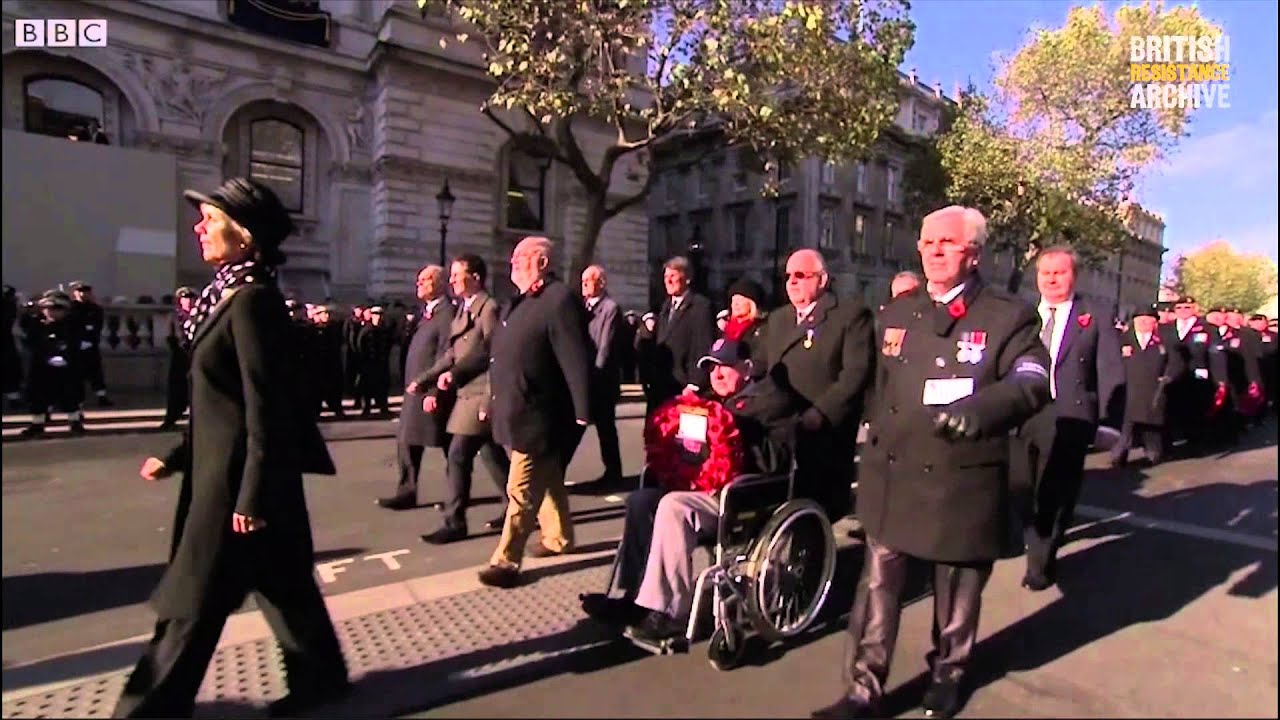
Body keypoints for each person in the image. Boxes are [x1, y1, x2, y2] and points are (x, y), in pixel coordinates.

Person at [113, 177, 347, 718]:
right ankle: (323, 677)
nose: (199, 227)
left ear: (244, 236)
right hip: (239, 475)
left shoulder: (251, 302)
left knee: (192, 598)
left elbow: (267, 405)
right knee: (285, 584)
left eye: (210, 220)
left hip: (239, 483)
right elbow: (220, 403)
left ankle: (148, 708)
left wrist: (252, 495)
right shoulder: (228, 296)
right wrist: (176, 455)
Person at [813, 206, 1052, 720]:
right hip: (892, 476)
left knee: (956, 591)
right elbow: (860, 383)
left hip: (960, 480)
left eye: (948, 242)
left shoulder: (1007, 315)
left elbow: (1032, 377)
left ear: (974, 254)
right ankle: (863, 691)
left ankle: (948, 674)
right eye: (927, 242)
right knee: (877, 590)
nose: (935, 251)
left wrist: (984, 410)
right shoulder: (895, 313)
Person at [579, 337, 801, 642]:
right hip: (699, 490)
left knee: (672, 507)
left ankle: (668, 611)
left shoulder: (772, 400)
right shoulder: (705, 402)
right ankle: (633, 595)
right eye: (712, 368)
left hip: (740, 496)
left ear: (747, 368)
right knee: (642, 500)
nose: (717, 375)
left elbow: (778, 460)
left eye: (725, 367)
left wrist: (736, 434)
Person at [480, 236, 592, 589]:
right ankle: (559, 538)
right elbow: (495, 353)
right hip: (515, 408)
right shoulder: (520, 302)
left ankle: (506, 560)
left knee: (521, 489)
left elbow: (575, 355)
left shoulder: (559, 300)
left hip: (540, 413)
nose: (512, 263)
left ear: (542, 263)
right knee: (550, 479)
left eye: (520, 258)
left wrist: (583, 407)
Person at [1017, 246, 1122, 592]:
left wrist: (1109, 422)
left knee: (1056, 492)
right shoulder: (1022, 316)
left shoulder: (1094, 315)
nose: (1051, 279)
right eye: (1045, 273)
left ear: (1074, 276)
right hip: (1024, 417)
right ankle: (1035, 539)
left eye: (1059, 272)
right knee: (1023, 490)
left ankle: (1041, 560)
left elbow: (1109, 371)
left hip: (1070, 417)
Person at [762, 249, 875, 521]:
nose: (791, 282)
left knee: (819, 510)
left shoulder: (849, 316)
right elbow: (762, 361)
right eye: (787, 276)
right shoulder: (779, 318)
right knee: (781, 509)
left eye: (800, 275)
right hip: (783, 428)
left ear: (822, 281)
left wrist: (822, 411)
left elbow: (855, 373)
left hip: (825, 430)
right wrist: (735, 371)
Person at [413, 254, 511, 542]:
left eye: (458, 275)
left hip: (480, 392)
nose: (452, 280)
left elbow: (496, 356)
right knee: (491, 454)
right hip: (465, 393)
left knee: (458, 455)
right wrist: (425, 379)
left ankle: (454, 522)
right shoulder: (462, 309)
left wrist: (489, 400)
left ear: (476, 278)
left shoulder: (489, 308)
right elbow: (451, 354)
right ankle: (519, 507)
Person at [379, 265, 455, 511]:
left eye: (426, 280)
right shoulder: (426, 314)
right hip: (415, 390)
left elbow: (446, 354)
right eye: (419, 279)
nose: (419, 284)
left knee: (452, 447)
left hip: (432, 391)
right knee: (407, 441)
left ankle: (458, 495)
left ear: (442, 284)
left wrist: (434, 391)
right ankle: (407, 491)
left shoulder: (448, 314)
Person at [566, 265, 625, 486]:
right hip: (584, 376)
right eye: (583, 281)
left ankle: (613, 472)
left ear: (601, 283)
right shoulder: (581, 307)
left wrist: (594, 375)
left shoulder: (610, 308)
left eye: (589, 281)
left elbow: (605, 347)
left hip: (602, 379)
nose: (584, 285)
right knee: (576, 425)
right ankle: (558, 470)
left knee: (605, 427)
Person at [635, 256, 716, 411]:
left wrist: (695, 384)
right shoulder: (664, 306)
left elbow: (702, 347)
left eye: (673, 276)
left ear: (687, 279)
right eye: (666, 276)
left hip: (683, 387)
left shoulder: (700, 306)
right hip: (659, 385)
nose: (668, 281)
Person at [1110, 305, 1182, 467]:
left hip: (1154, 387)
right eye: (1139, 320)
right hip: (1129, 387)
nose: (1143, 323)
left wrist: (1168, 377)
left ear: (1155, 323)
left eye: (1147, 320)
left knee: (1152, 423)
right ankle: (1120, 454)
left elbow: (1176, 362)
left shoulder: (1165, 340)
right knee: (1127, 425)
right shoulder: (1123, 339)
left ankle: (1153, 452)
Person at [20, 290, 86, 437]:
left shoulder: (72, 324)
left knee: (69, 394)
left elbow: (74, 343)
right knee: (38, 395)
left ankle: (75, 422)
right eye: (48, 308)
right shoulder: (36, 323)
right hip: (42, 366)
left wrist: (65, 357)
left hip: (66, 366)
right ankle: (37, 423)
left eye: (57, 309)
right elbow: (32, 342)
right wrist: (47, 357)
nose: (51, 312)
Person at [68, 281, 112, 407]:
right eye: (80, 291)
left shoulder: (95, 309)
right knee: (76, 375)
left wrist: (89, 340)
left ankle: (101, 396)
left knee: (95, 372)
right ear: (75, 293)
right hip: (75, 346)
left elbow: (96, 326)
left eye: (85, 292)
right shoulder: (71, 308)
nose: (83, 294)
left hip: (91, 345)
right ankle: (77, 400)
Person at [160, 287, 197, 430]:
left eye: (190, 298)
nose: (188, 301)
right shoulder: (175, 317)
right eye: (185, 299)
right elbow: (169, 335)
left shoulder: (200, 315)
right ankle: (171, 417)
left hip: (195, 355)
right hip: (179, 356)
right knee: (176, 388)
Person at [720, 277, 769, 372]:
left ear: (752, 303)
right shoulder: (726, 329)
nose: (735, 304)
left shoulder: (763, 328)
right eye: (733, 300)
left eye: (740, 300)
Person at [4, 284, 24, 409]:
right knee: (10, 370)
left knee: (10, 371)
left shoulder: (9, 306)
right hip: (8, 344)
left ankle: (14, 398)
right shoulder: (9, 306)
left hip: (8, 343)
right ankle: (14, 398)